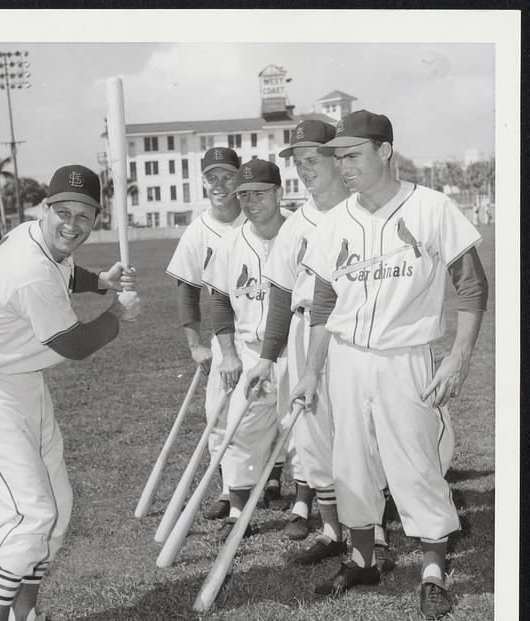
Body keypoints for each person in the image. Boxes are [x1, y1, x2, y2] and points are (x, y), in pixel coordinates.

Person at [0, 165, 140, 621]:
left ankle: (24, 620)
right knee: (31, 514)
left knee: (58, 509)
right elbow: (75, 345)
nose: (72, 225)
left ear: (94, 217)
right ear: (45, 209)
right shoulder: (26, 268)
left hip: (24, 383)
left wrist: (98, 282)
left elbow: (66, 269)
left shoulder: (40, 239)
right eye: (63, 213)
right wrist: (117, 315)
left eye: (84, 216)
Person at [291, 111, 487, 619]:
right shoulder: (335, 222)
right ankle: (362, 558)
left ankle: (433, 570)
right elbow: (322, 304)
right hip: (347, 358)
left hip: (407, 355)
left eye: (353, 154)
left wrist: (459, 357)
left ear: (384, 151)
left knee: (416, 462)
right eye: (339, 157)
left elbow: (471, 286)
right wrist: (312, 371)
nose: (344, 166)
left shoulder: (431, 207)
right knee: (349, 462)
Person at [247, 120, 396, 569]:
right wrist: (267, 357)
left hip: (353, 333)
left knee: (363, 432)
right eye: (298, 163)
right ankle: (332, 529)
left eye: (313, 160)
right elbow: (279, 294)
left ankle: (376, 531)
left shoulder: (364, 212)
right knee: (312, 435)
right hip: (302, 329)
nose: (304, 171)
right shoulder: (296, 226)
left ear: (337, 157)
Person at [203, 158, 289, 541]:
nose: (251, 201)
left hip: (298, 348)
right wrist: (230, 354)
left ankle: (306, 507)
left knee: (306, 432)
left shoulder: (302, 233)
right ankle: (239, 509)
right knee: (240, 427)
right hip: (251, 348)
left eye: (260, 193)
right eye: (245, 195)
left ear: (279, 193)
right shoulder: (230, 242)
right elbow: (218, 299)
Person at [165, 148, 245, 520]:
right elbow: (186, 288)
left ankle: (274, 480)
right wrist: (195, 344)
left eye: (227, 176)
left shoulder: (257, 216)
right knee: (219, 410)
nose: (220, 184)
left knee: (275, 409)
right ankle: (229, 487)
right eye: (212, 177)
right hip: (224, 331)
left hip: (269, 326)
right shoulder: (198, 230)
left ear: (240, 177)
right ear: (204, 182)